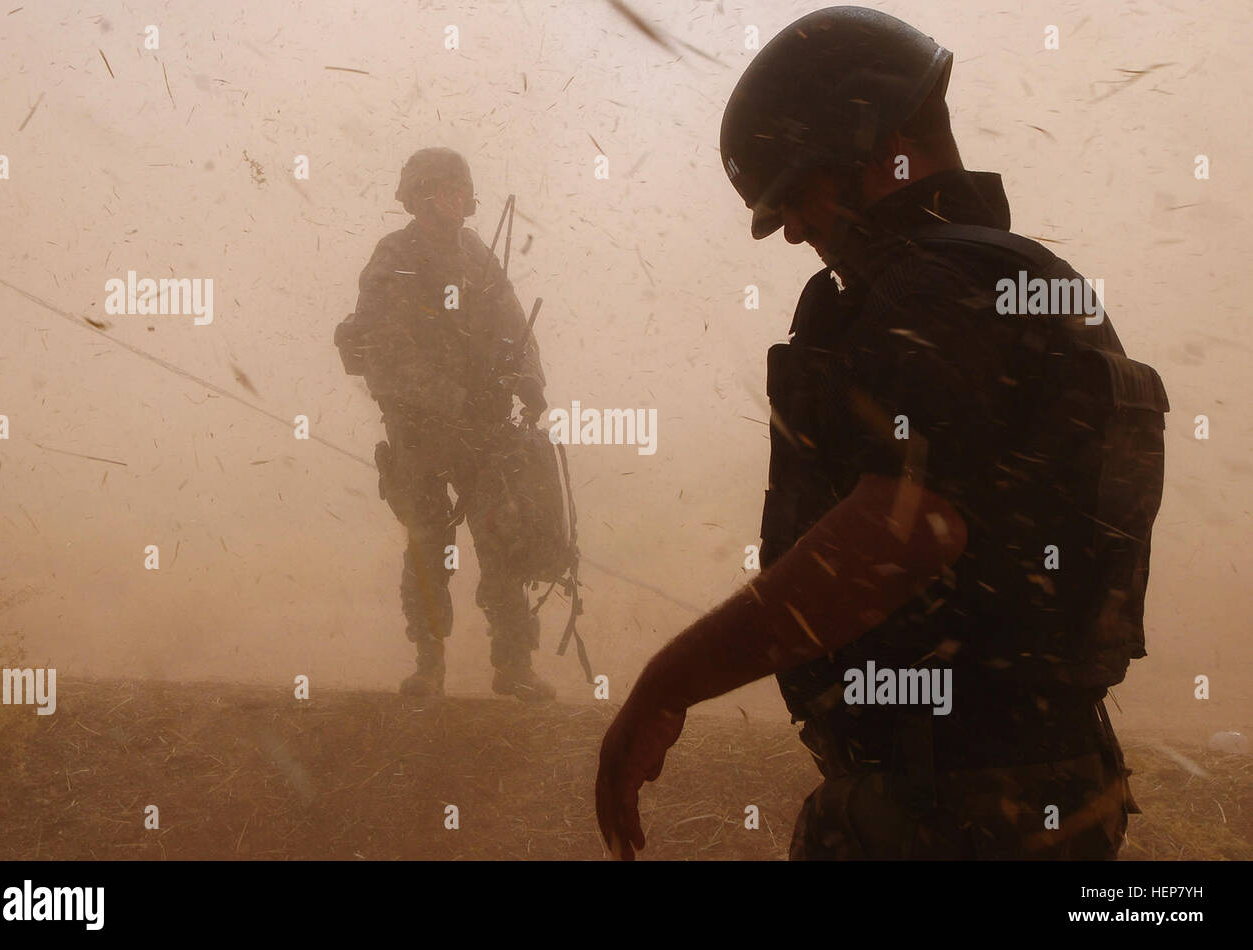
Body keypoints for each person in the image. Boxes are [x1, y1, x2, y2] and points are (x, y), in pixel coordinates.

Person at [596, 6, 1168, 860]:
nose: (791, 227)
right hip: (1021, 788)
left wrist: (667, 684)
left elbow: (905, 533)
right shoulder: (1019, 278)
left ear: (876, 147)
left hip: (956, 810)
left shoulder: (937, 287)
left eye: (799, 192)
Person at [334, 147, 556, 703]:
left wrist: (529, 377)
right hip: (421, 431)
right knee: (430, 547)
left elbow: (515, 326)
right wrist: (458, 398)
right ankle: (428, 665)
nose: (457, 200)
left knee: (503, 540)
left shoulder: (477, 254)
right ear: (419, 196)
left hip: (482, 431)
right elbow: (385, 354)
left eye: (462, 190)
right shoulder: (395, 256)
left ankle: (513, 666)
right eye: (445, 190)